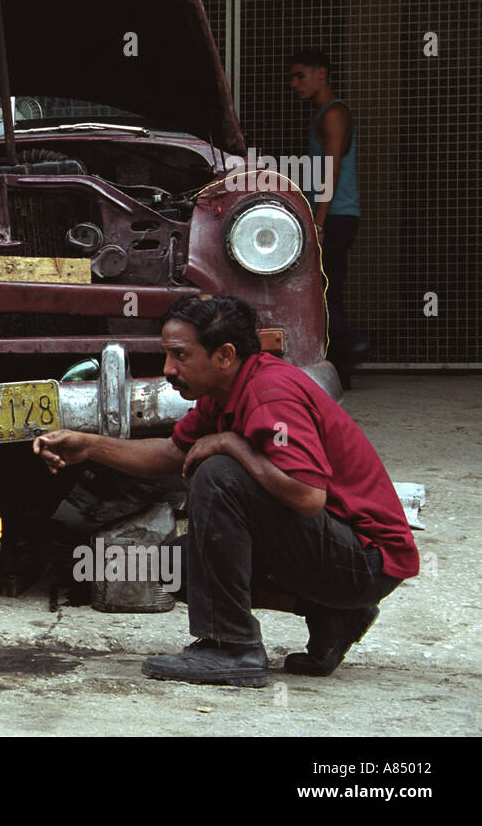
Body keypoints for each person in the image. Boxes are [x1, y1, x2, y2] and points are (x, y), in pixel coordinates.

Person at [34, 294, 418, 687]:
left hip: (366, 562)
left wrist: (229, 444)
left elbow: (307, 495)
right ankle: (331, 614)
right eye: (166, 355)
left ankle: (231, 648)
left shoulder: (271, 393)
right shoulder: (228, 390)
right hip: (337, 556)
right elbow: (170, 453)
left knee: (219, 474)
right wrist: (90, 445)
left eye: (180, 355)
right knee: (173, 564)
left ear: (225, 355)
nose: (168, 369)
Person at [290, 48, 369, 389]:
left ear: (322, 73)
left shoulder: (333, 114)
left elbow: (331, 170)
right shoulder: (323, 113)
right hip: (332, 215)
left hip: (336, 216)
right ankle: (343, 359)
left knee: (326, 289)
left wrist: (319, 222)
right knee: (324, 288)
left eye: (300, 76)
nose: (294, 84)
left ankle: (350, 348)